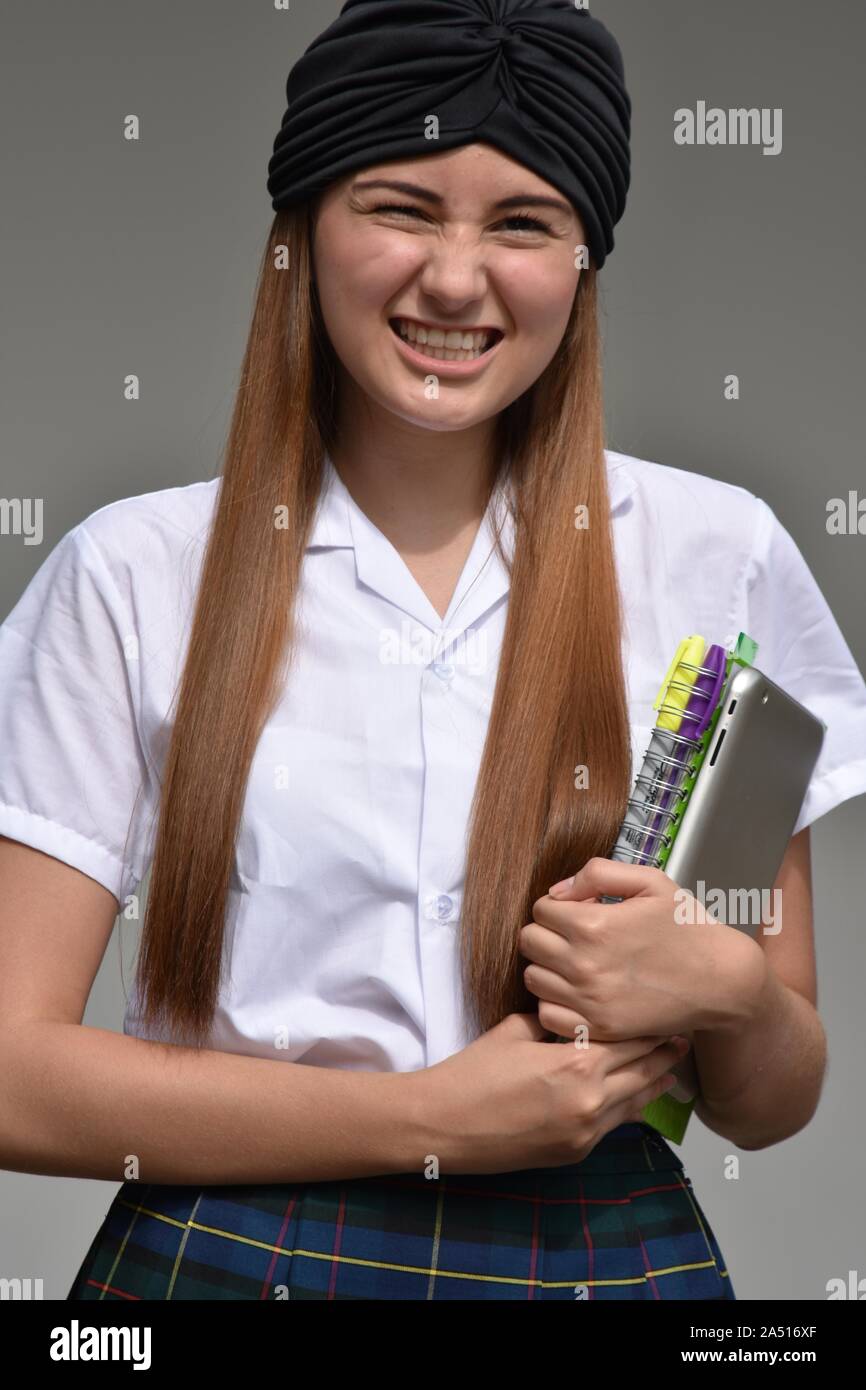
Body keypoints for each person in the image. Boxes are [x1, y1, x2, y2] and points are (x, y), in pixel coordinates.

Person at [1, 0, 865, 1302]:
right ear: (301, 233)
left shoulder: (720, 553)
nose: (455, 279)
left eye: (521, 222)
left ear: (582, 259)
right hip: (233, 1255)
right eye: (399, 206)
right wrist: (431, 1119)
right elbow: (10, 1072)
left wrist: (734, 992)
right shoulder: (131, 573)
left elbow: (771, 1100)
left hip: (609, 1262)